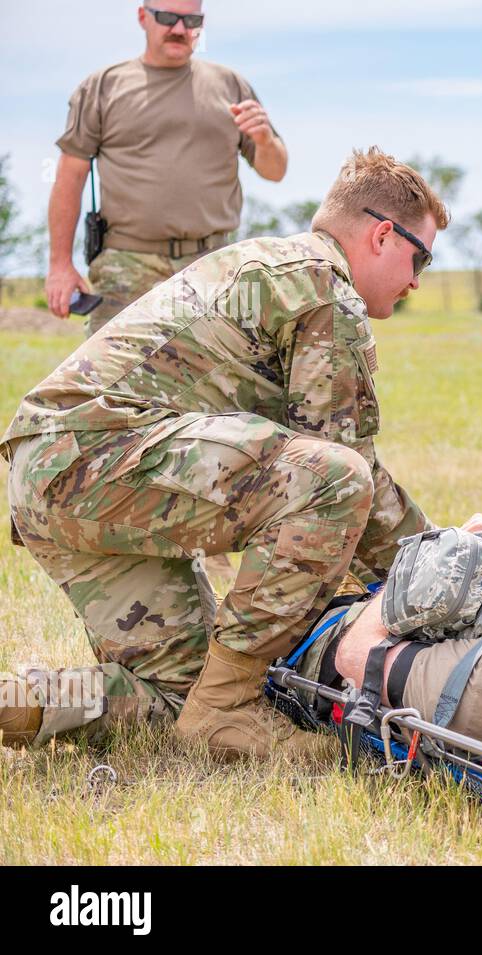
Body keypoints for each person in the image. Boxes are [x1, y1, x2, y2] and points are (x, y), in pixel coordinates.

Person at [0, 147, 444, 759]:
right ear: (382, 235)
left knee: (178, 694)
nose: (418, 279)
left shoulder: (273, 264)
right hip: (97, 461)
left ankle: (23, 698)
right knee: (335, 478)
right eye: (422, 257)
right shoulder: (323, 287)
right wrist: (439, 572)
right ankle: (229, 711)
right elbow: (347, 476)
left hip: (53, 473)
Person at [45, 0, 289, 337]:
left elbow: (275, 171)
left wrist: (264, 140)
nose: (179, 29)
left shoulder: (230, 86)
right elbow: (70, 176)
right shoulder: (103, 86)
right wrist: (60, 265)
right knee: (116, 385)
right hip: (127, 268)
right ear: (143, 18)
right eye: (167, 18)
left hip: (214, 264)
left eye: (190, 20)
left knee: (216, 385)